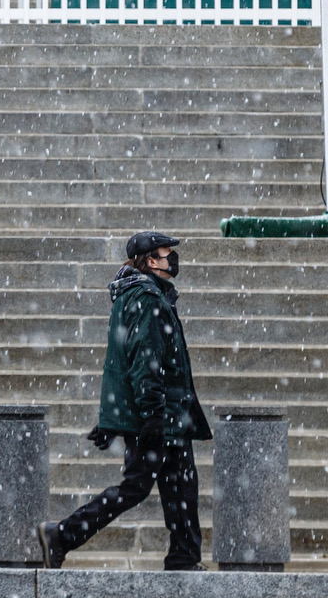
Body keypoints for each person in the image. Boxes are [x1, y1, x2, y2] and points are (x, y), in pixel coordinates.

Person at [39, 230, 211, 571]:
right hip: (162, 415)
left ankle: (184, 559)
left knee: (180, 488)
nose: (172, 260)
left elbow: (120, 362)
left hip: (166, 413)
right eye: (166, 255)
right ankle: (62, 535)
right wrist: (152, 415)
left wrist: (115, 417)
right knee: (139, 488)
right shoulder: (146, 298)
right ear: (149, 261)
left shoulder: (141, 295)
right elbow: (142, 362)